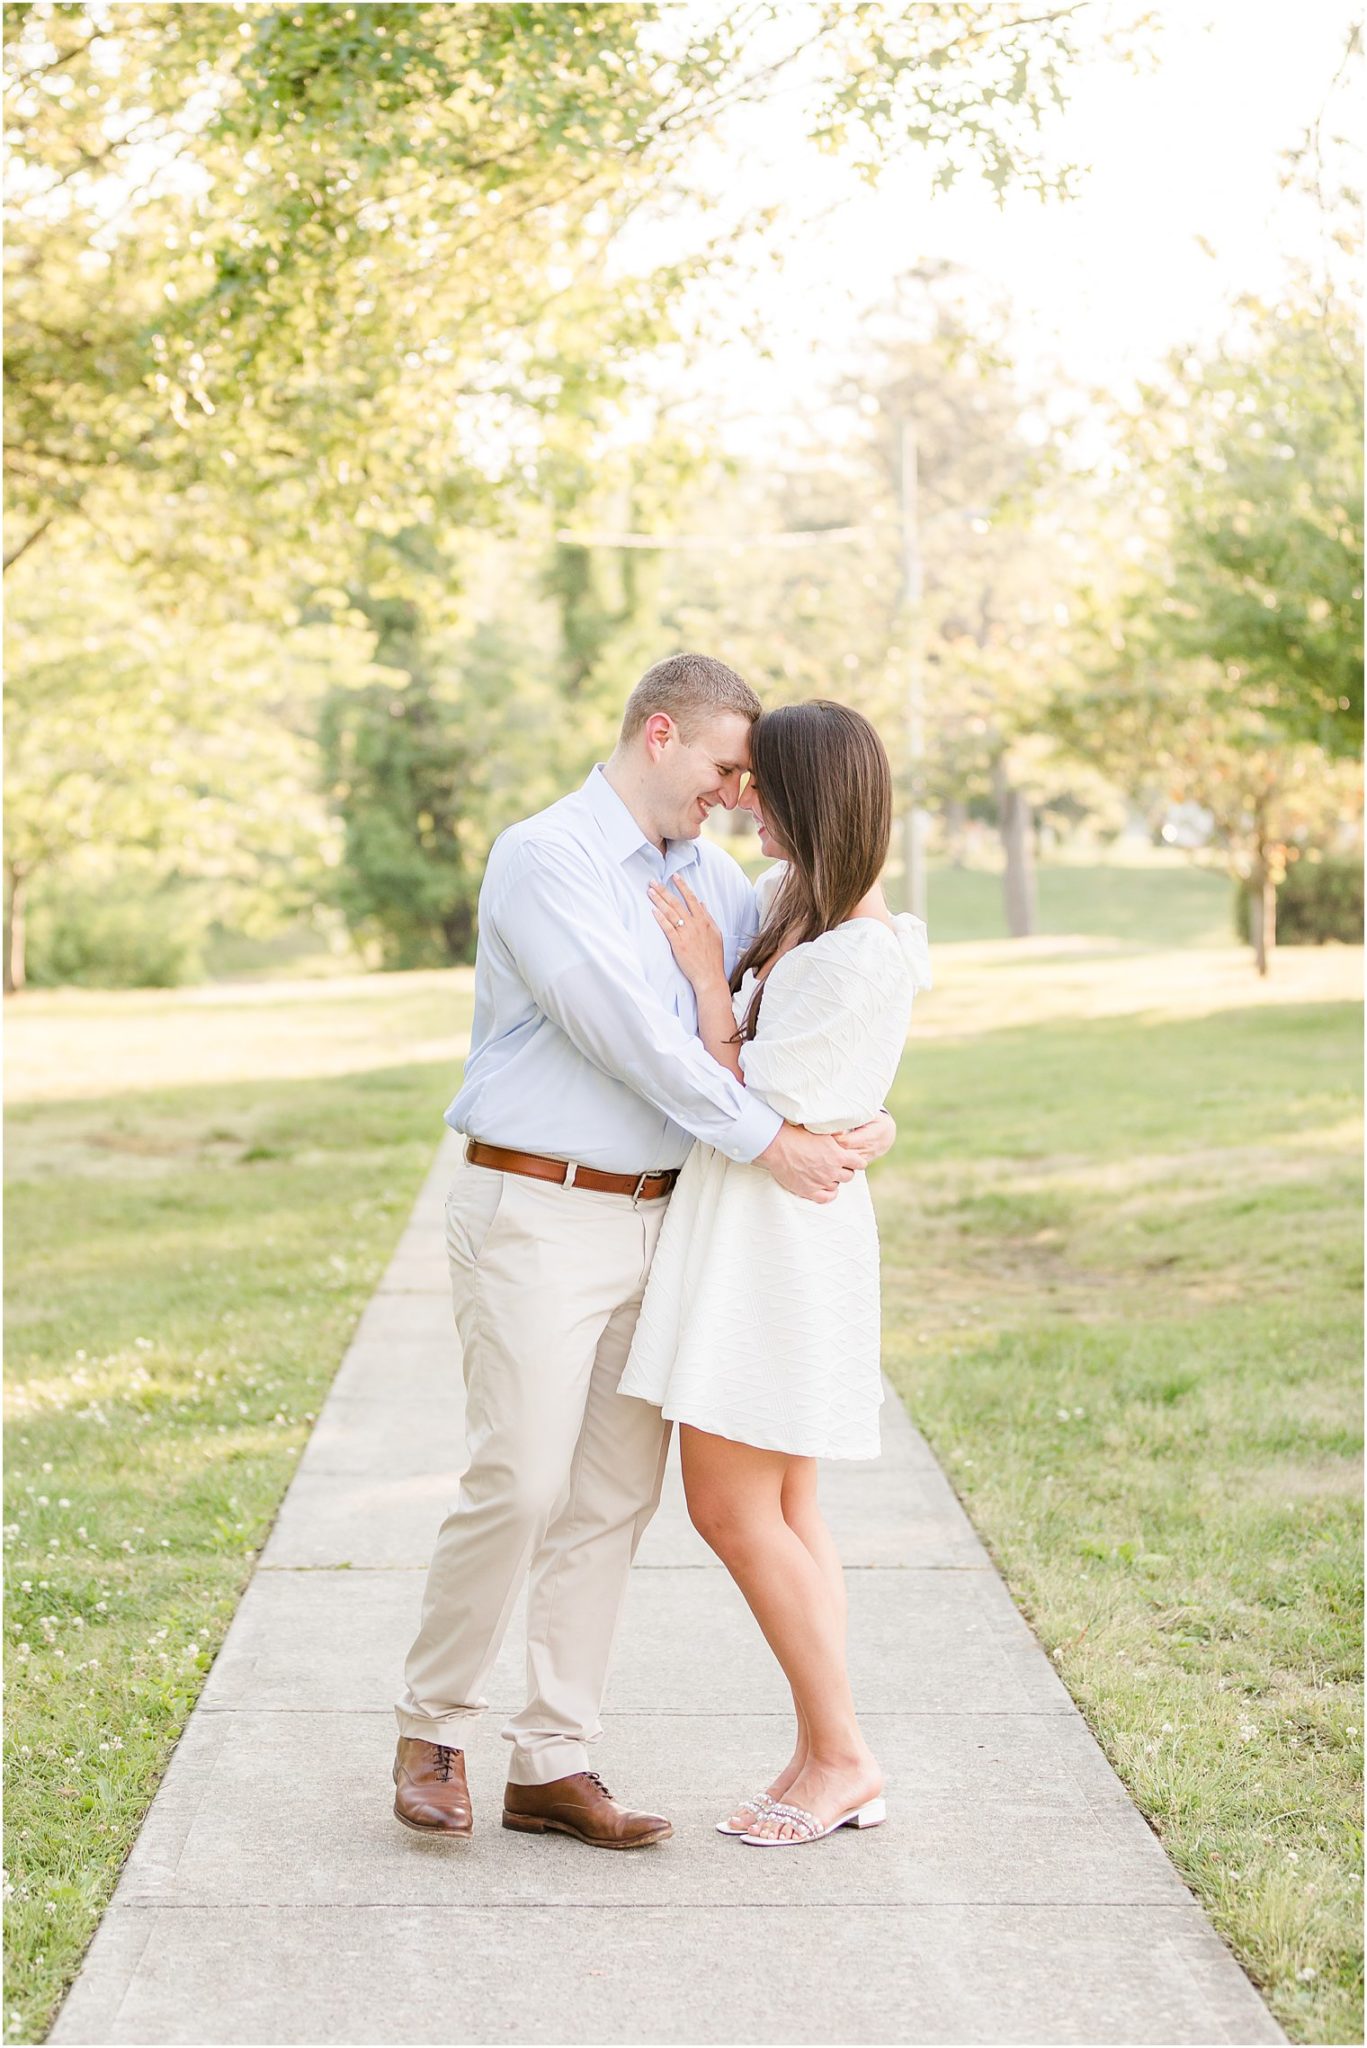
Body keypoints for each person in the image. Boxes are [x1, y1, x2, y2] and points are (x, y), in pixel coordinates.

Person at [391, 653, 897, 1849]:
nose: (735, 791)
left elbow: (804, 1000)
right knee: (520, 1479)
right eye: (724, 765)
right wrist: (774, 1140)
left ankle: (552, 1759)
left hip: (667, 1219)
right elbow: (628, 1035)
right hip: (538, 1206)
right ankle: (433, 1724)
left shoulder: (713, 877)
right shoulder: (545, 855)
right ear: (659, 733)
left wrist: (856, 1115)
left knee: (613, 1498)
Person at [618, 699, 932, 1848]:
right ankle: (823, 1749)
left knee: (730, 1505)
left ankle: (842, 1753)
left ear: (813, 796)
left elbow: (744, 1096)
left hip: (775, 1242)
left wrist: (708, 981)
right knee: (788, 1506)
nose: (743, 799)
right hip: (759, 1223)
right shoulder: (798, 906)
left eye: (762, 785)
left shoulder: (853, 951)